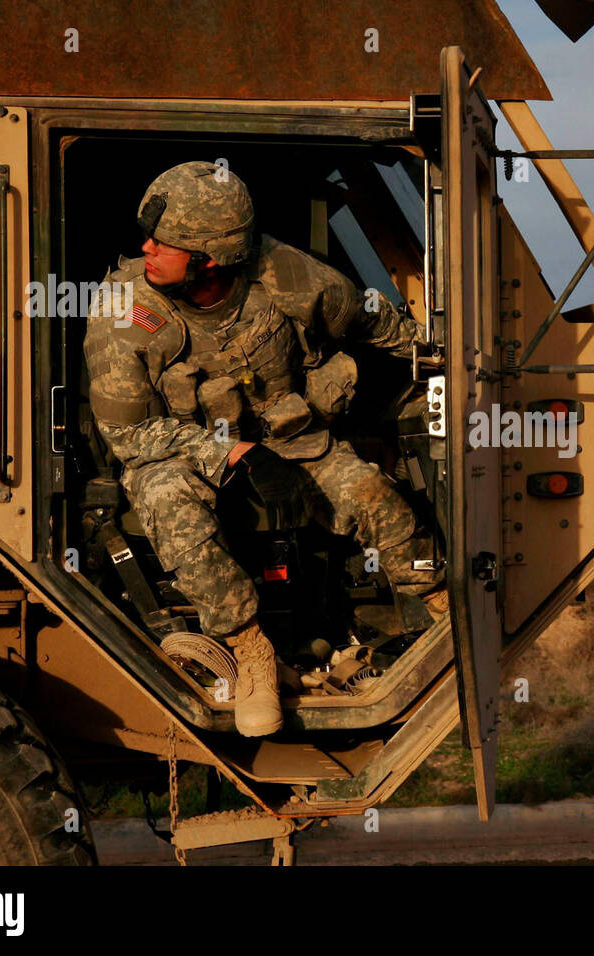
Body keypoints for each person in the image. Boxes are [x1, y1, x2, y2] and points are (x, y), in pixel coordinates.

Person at [84, 161, 443, 737]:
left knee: (370, 490)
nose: (146, 247)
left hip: (291, 442)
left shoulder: (287, 276)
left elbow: (363, 318)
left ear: (208, 258)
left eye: (165, 241)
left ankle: (436, 599)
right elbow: (127, 436)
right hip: (178, 453)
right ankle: (250, 651)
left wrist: (434, 351)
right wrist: (225, 452)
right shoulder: (124, 312)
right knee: (170, 501)